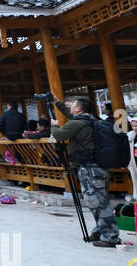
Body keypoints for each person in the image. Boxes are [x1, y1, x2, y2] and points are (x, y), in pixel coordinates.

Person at [49, 96, 118, 247]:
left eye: (73, 106)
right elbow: (69, 113)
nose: (71, 107)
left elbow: (58, 135)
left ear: (78, 109)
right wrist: (56, 102)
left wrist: (54, 125)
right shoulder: (90, 120)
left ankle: (110, 236)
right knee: (97, 202)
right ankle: (100, 230)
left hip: (90, 168)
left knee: (99, 203)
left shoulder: (78, 123)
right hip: (98, 167)